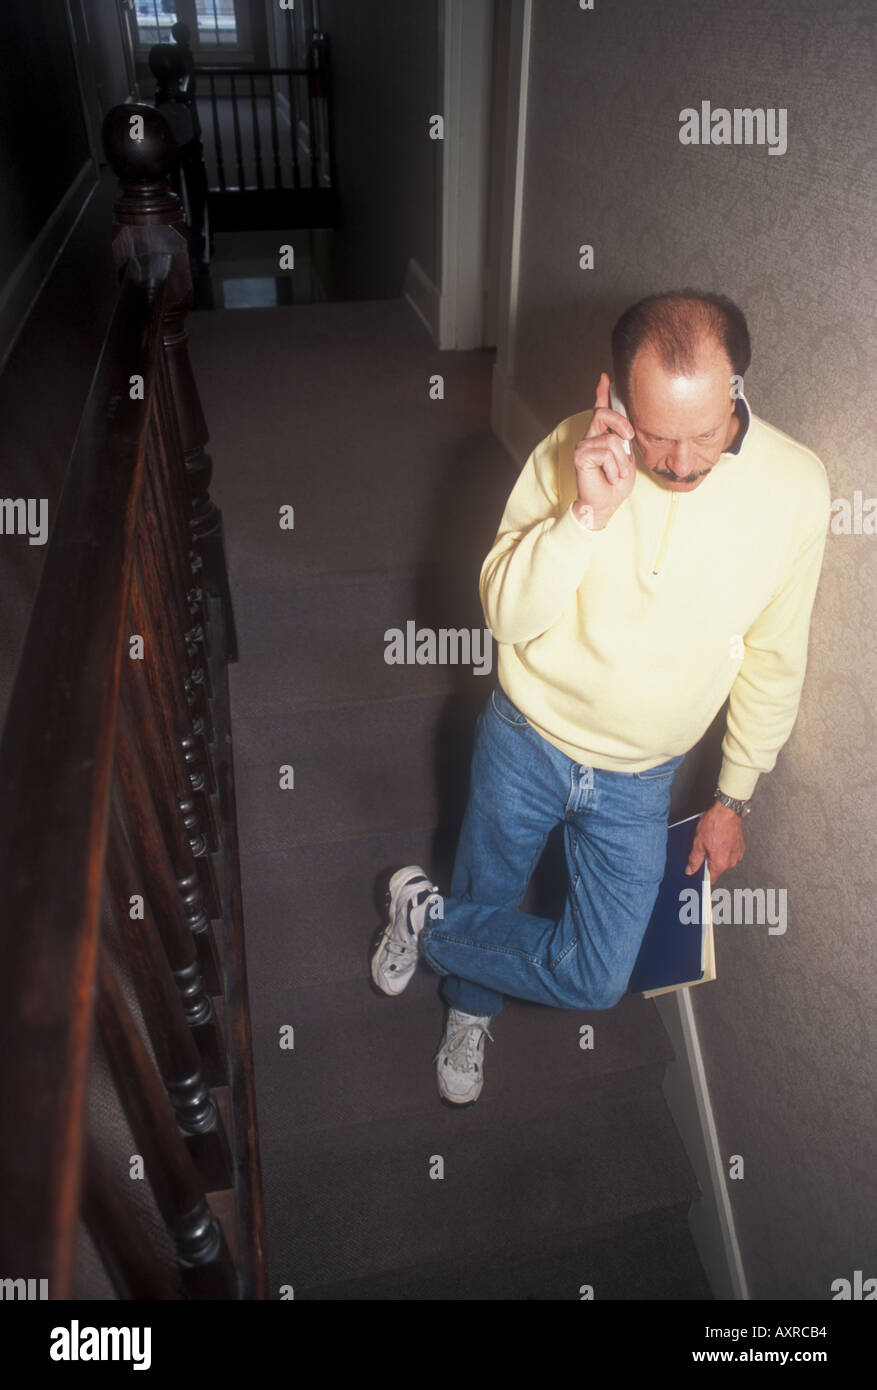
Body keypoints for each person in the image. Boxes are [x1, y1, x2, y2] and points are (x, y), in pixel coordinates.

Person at [370, 290, 831, 1107]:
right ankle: (469, 1004)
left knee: (594, 976)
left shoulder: (794, 488)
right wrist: (586, 513)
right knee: (488, 888)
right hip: (527, 736)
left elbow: (773, 654)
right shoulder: (566, 454)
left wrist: (735, 796)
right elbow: (505, 616)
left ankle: (424, 923)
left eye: (705, 436)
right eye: (657, 437)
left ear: (737, 393)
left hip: (641, 778)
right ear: (612, 398)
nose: (682, 465)